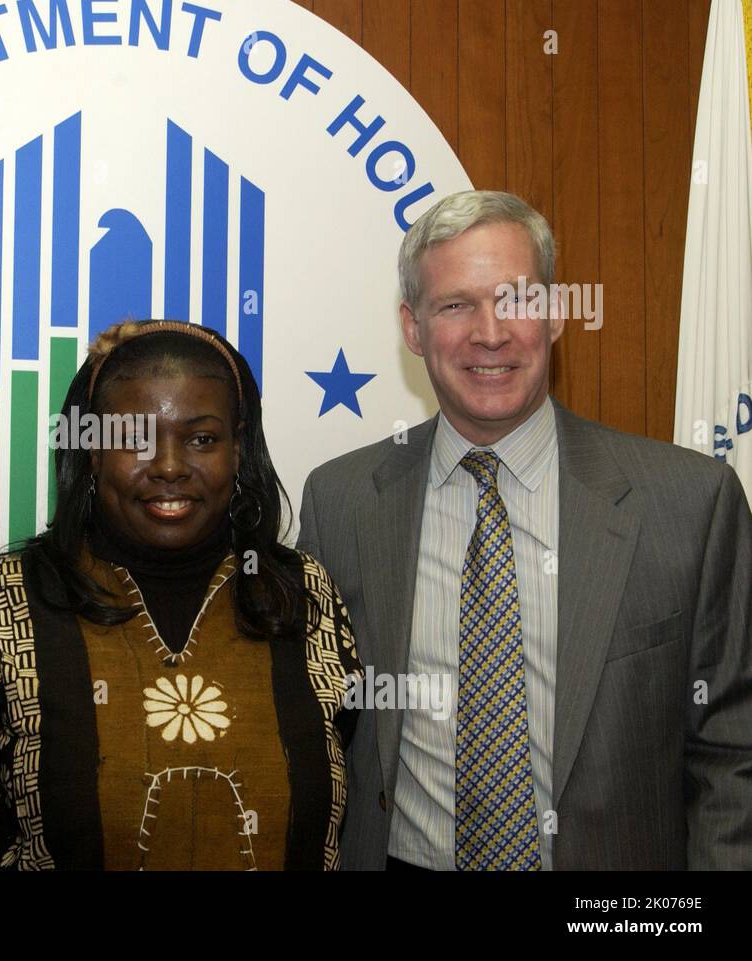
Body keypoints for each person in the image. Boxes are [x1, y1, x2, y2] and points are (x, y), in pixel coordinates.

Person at [298, 190, 752, 870]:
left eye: (516, 300)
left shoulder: (690, 503)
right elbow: (317, 733)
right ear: (413, 327)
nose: (491, 332)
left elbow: (732, 752)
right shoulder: (341, 501)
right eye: (456, 305)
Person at [0, 320, 361, 870]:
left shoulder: (306, 596)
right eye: (133, 439)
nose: (167, 466)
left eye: (202, 438)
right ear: (90, 451)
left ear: (239, 449)